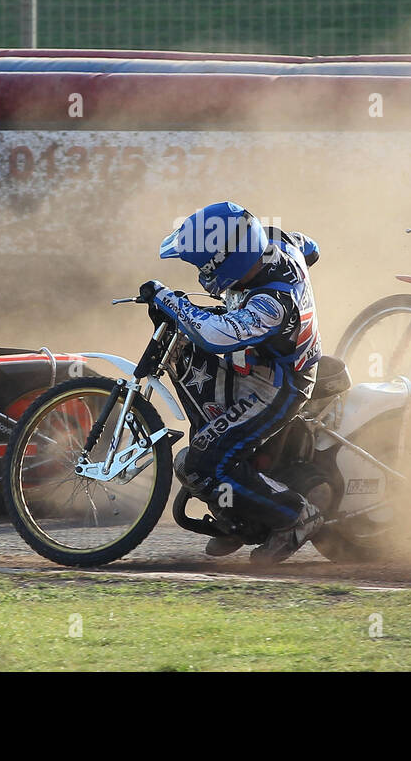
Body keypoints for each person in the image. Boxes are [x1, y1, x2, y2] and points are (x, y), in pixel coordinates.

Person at [139, 202, 324, 564]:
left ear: (223, 263)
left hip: (278, 385)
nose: (198, 275)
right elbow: (312, 248)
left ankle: (296, 516)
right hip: (259, 361)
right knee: (190, 366)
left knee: (198, 465)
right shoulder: (277, 241)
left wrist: (169, 300)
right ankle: (242, 518)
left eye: (201, 266)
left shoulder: (273, 302)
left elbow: (216, 335)